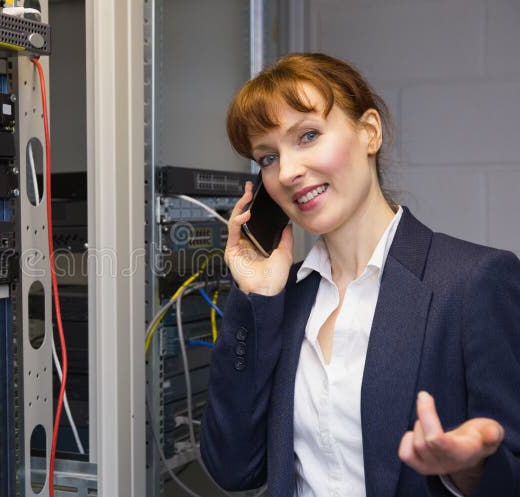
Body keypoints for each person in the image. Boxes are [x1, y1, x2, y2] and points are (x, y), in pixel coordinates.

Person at [200, 52, 520, 497]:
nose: (288, 172)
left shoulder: (473, 282)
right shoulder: (285, 299)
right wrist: (255, 299)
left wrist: (469, 470)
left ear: (369, 131)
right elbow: (233, 468)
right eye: (268, 157)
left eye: (307, 135)